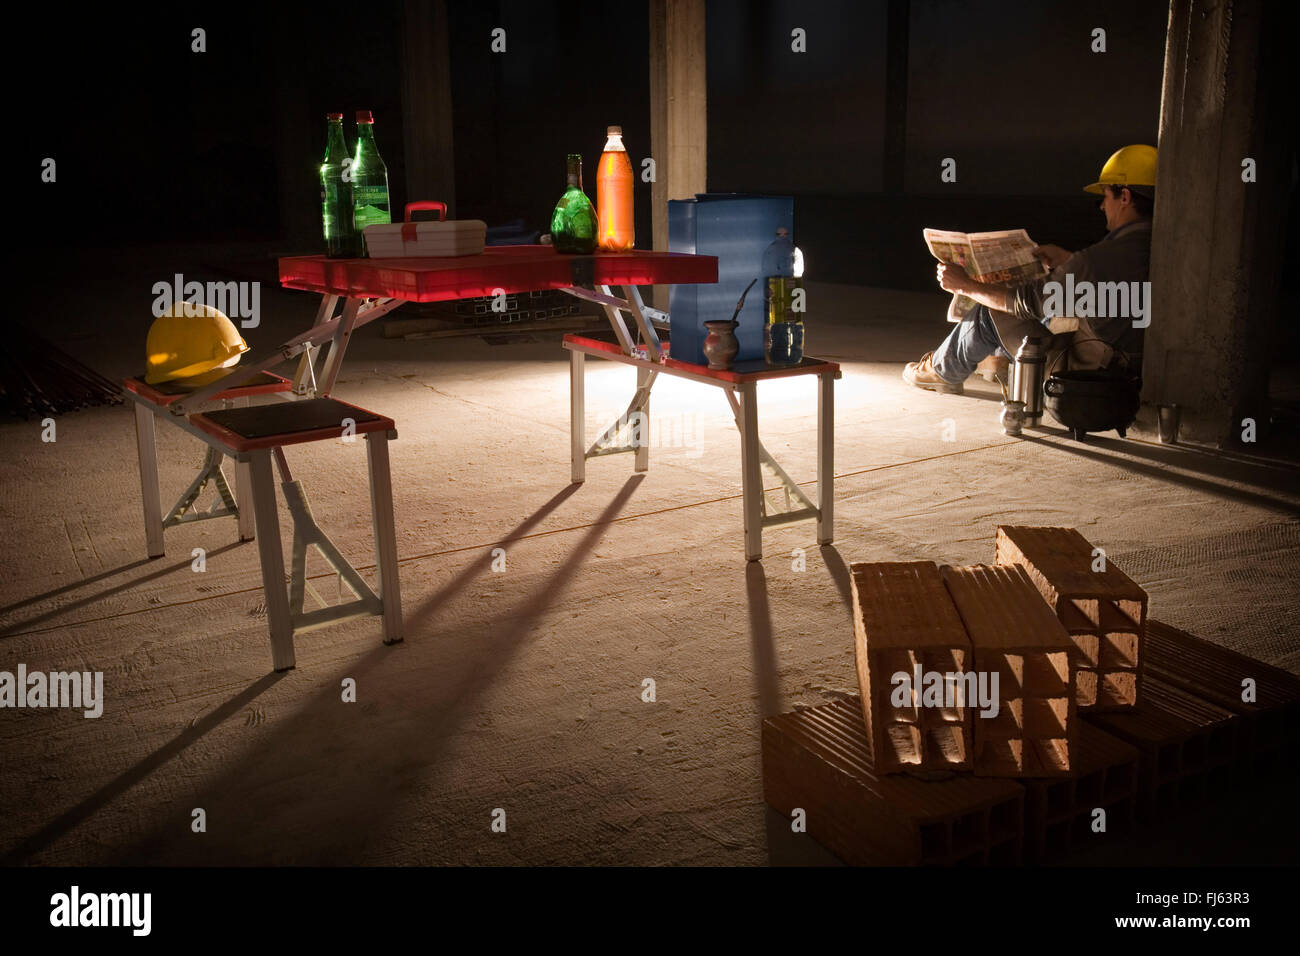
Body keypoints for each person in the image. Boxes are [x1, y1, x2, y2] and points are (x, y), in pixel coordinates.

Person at [903, 144, 1157, 394]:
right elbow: (1112, 281)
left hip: (1085, 375)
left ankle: (943, 371)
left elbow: (1022, 301)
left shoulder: (1096, 260)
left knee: (990, 312)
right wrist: (1069, 260)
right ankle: (1001, 359)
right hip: (1130, 365)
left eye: (1105, 196)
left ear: (1124, 197)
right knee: (1046, 309)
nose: (1102, 206)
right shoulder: (1160, 250)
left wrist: (966, 286)